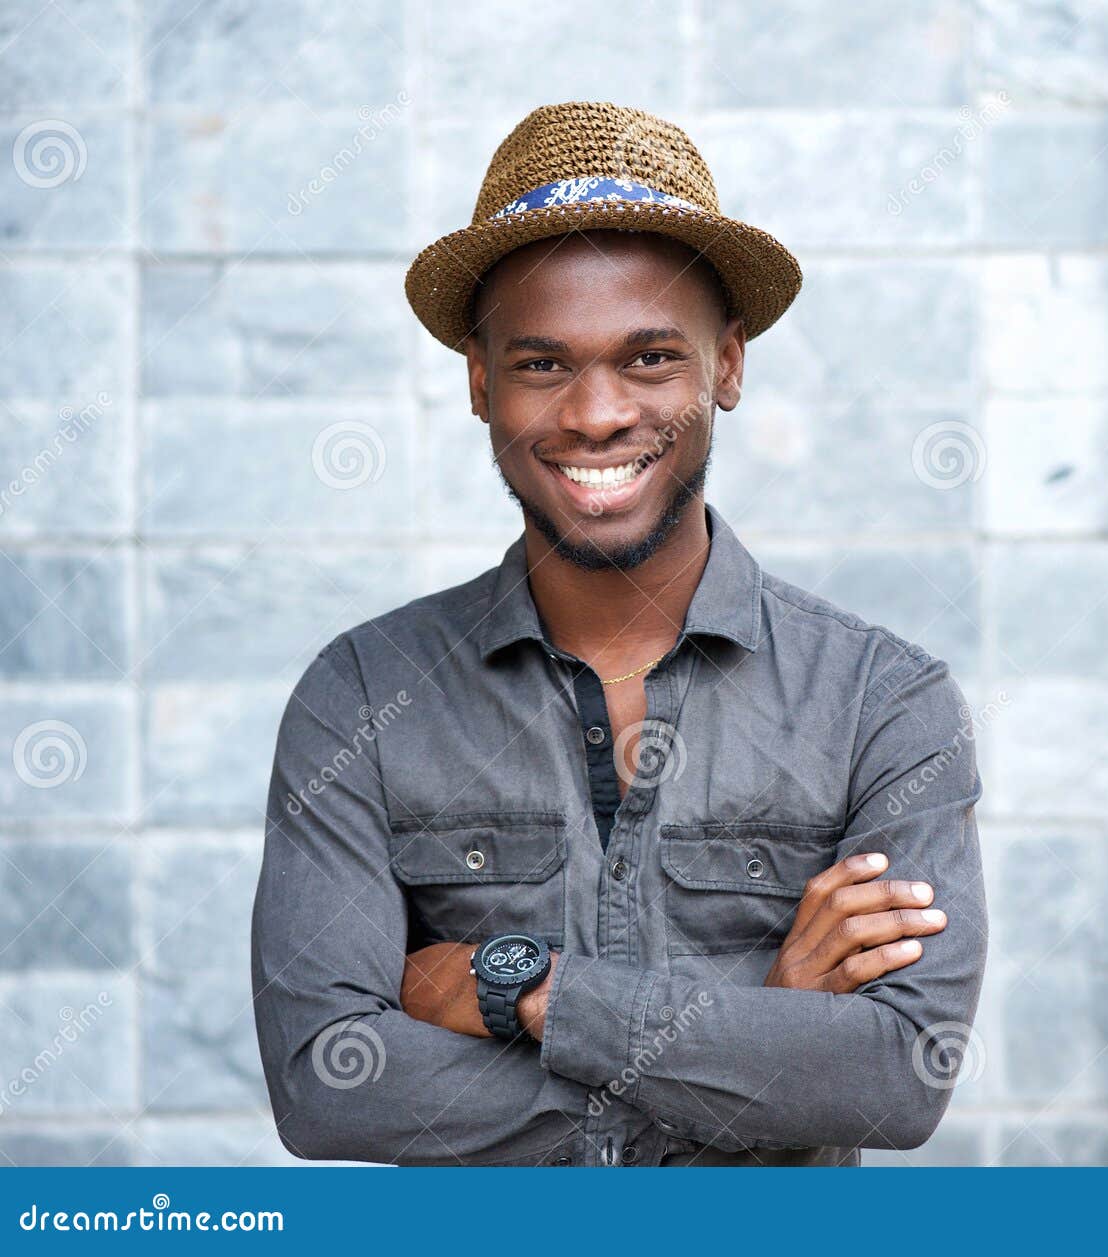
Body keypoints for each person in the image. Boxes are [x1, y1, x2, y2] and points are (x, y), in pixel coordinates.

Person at [250, 100, 987, 1167]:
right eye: (543, 364)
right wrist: (757, 1030)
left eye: (648, 359)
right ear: (479, 382)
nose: (596, 414)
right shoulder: (363, 692)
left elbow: (891, 1080)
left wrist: (520, 987)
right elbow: (331, 1085)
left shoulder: (884, 701)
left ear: (726, 367)